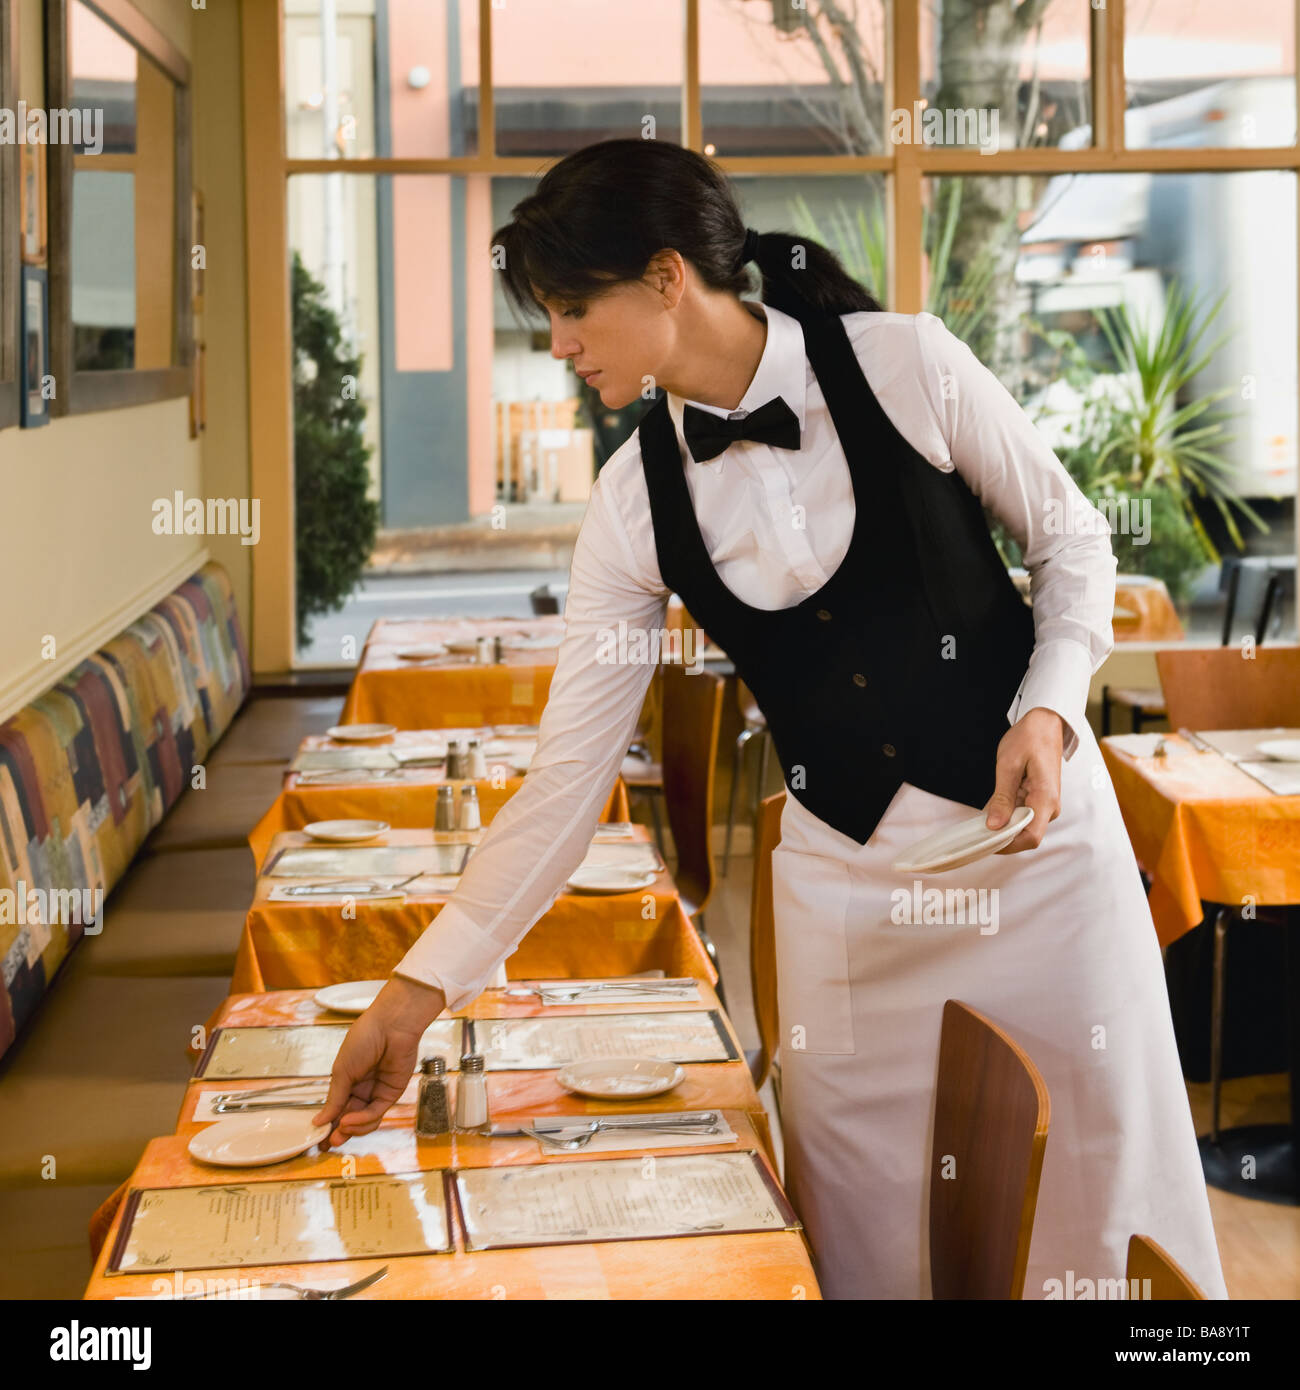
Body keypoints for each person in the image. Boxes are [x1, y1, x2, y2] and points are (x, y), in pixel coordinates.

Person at [316, 138, 1228, 1301]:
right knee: (866, 1247)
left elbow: (1074, 543)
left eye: (570, 308)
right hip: (847, 914)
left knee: (1102, 1217)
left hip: (1041, 870)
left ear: (662, 278)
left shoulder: (907, 364)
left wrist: (1047, 712)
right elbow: (565, 782)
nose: (556, 343)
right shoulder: (630, 501)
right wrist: (416, 991)